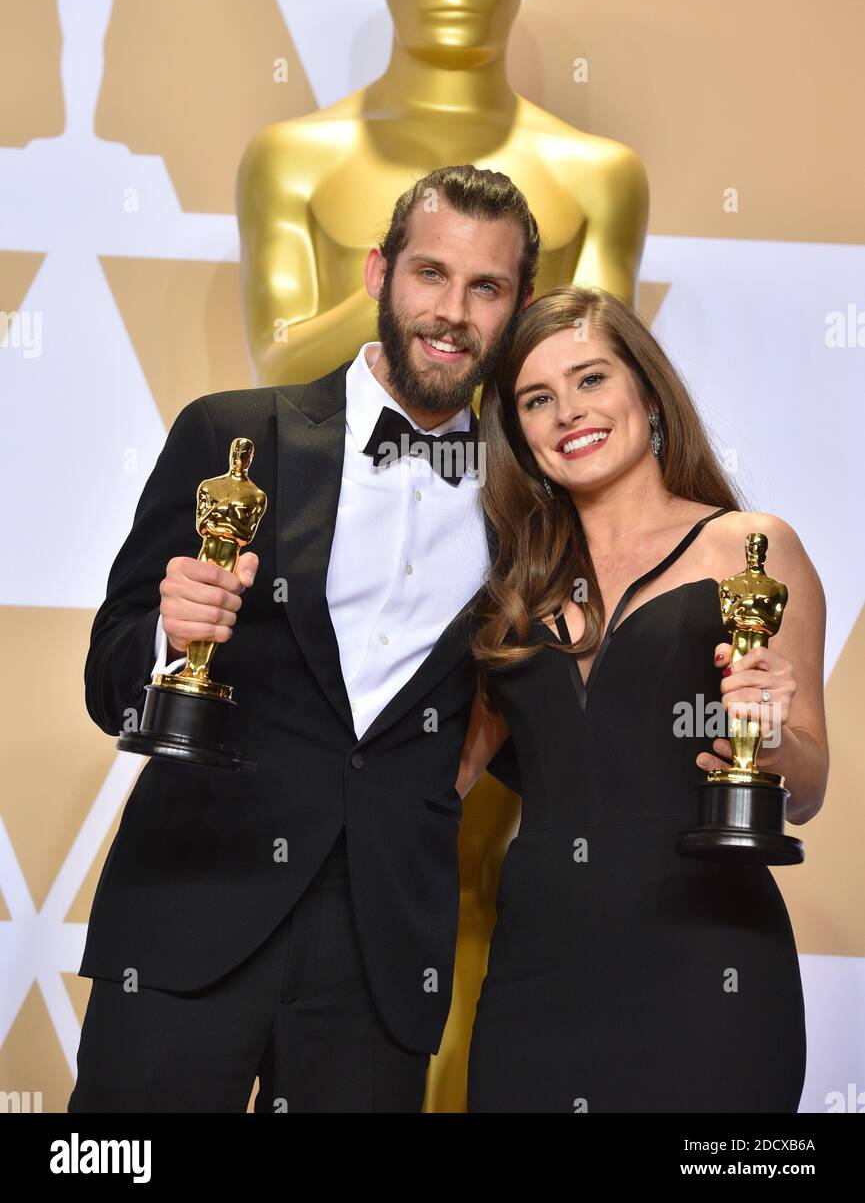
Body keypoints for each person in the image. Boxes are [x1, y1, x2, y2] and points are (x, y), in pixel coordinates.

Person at [68, 165, 535, 1113]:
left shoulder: (528, 506)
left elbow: (537, 706)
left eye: (485, 287)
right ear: (377, 274)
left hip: (381, 951)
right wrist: (169, 629)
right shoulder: (232, 436)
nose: (451, 312)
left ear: (516, 307)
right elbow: (106, 673)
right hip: (193, 904)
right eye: (429, 274)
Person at [461, 285, 829, 1113]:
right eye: (537, 399)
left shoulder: (748, 547)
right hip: (532, 976)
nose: (568, 413)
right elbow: (435, 778)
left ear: (644, 391)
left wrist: (767, 740)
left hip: (708, 971)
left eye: (590, 380)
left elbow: (806, 786)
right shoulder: (511, 591)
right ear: (517, 433)